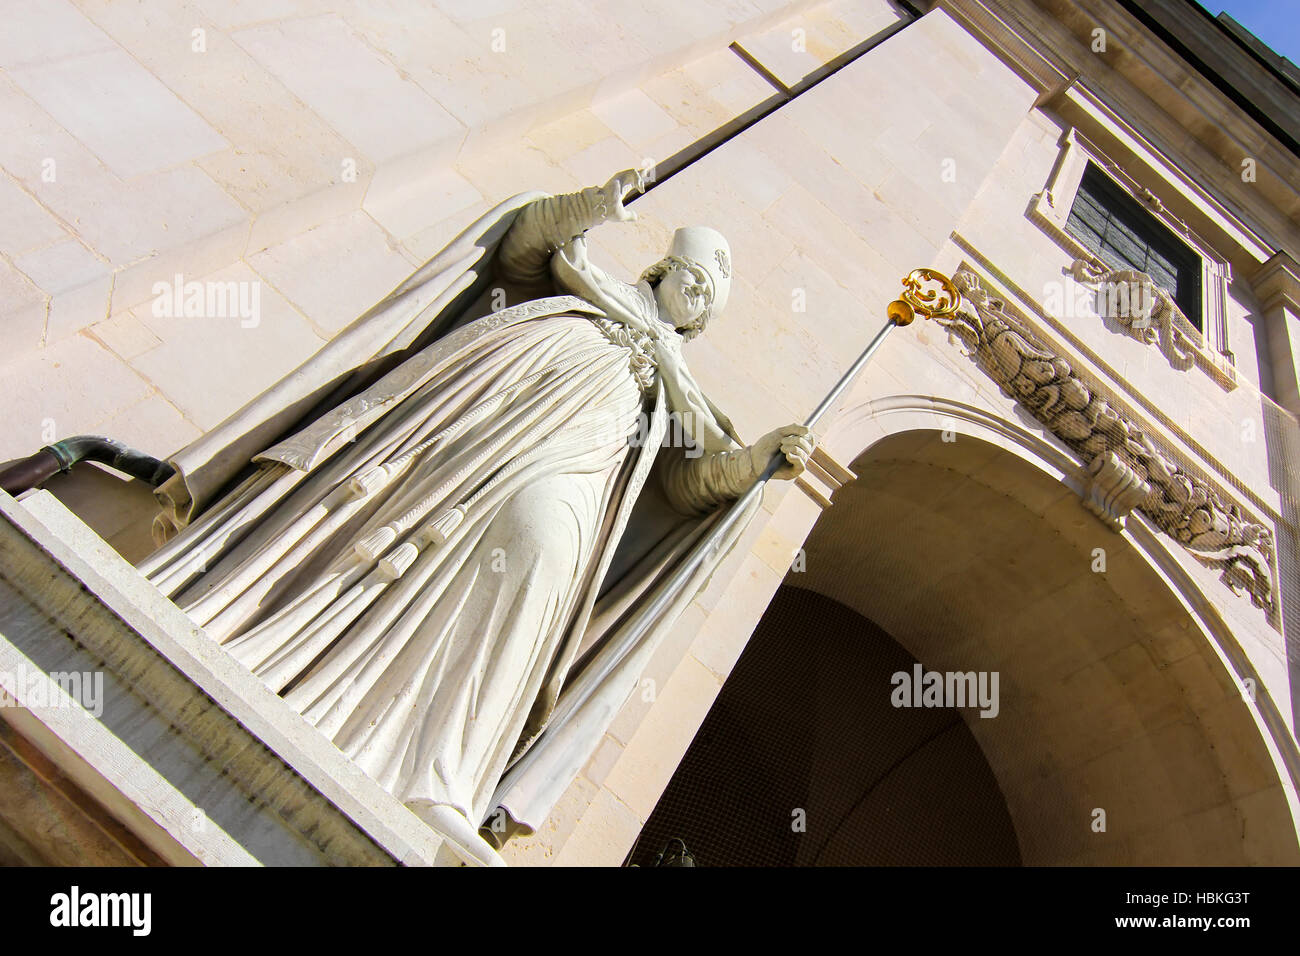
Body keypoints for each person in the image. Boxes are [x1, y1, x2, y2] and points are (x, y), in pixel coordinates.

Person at [139, 170, 814, 863]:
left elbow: (692, 479)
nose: (692, 300)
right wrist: (590, 207)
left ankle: (439, 774)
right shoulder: (585, 283)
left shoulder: (675, 390)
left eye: (704, 302)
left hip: (579, 464)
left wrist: (757, 458)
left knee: (544, 552)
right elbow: (521, 247)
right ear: (665, 267)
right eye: (693, 281)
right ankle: (260, 633)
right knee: (393, 513)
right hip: (488, 413)